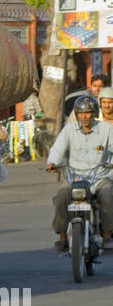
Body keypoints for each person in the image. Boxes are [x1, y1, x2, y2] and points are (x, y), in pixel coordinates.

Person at [47, 94, 113, 250]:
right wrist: (52, 162)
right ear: (76, 115)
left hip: (99, 177)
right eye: (80, 113)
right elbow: (57, 149)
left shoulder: (106, 129)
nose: (84, 116)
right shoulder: (69, 130)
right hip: (74, 177)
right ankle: (62, 237)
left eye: (88, 113)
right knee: (62, 196)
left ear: (94, 113)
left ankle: (107, 235)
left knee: (106, 196)